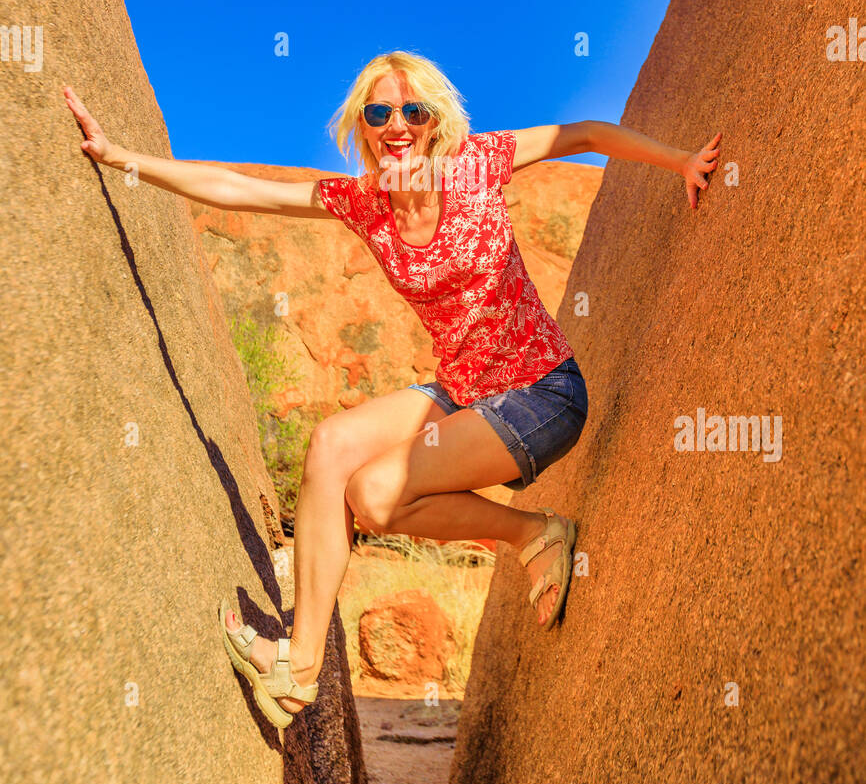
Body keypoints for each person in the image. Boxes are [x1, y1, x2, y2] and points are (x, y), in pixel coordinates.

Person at [62, 53, 719, 729]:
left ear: (435, 121)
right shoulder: (363, 203)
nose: (397, 124)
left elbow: (580, 135)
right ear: (363, 125)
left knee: (373, 494)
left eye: (413, 110)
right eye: (380, 112)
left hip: (540, 393)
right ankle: (300, 666)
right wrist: (121, 158)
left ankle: (531, 533)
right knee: (331, 445)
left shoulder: (479, 161)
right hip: (463, 391)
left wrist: (678, 162)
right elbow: (240, 188)